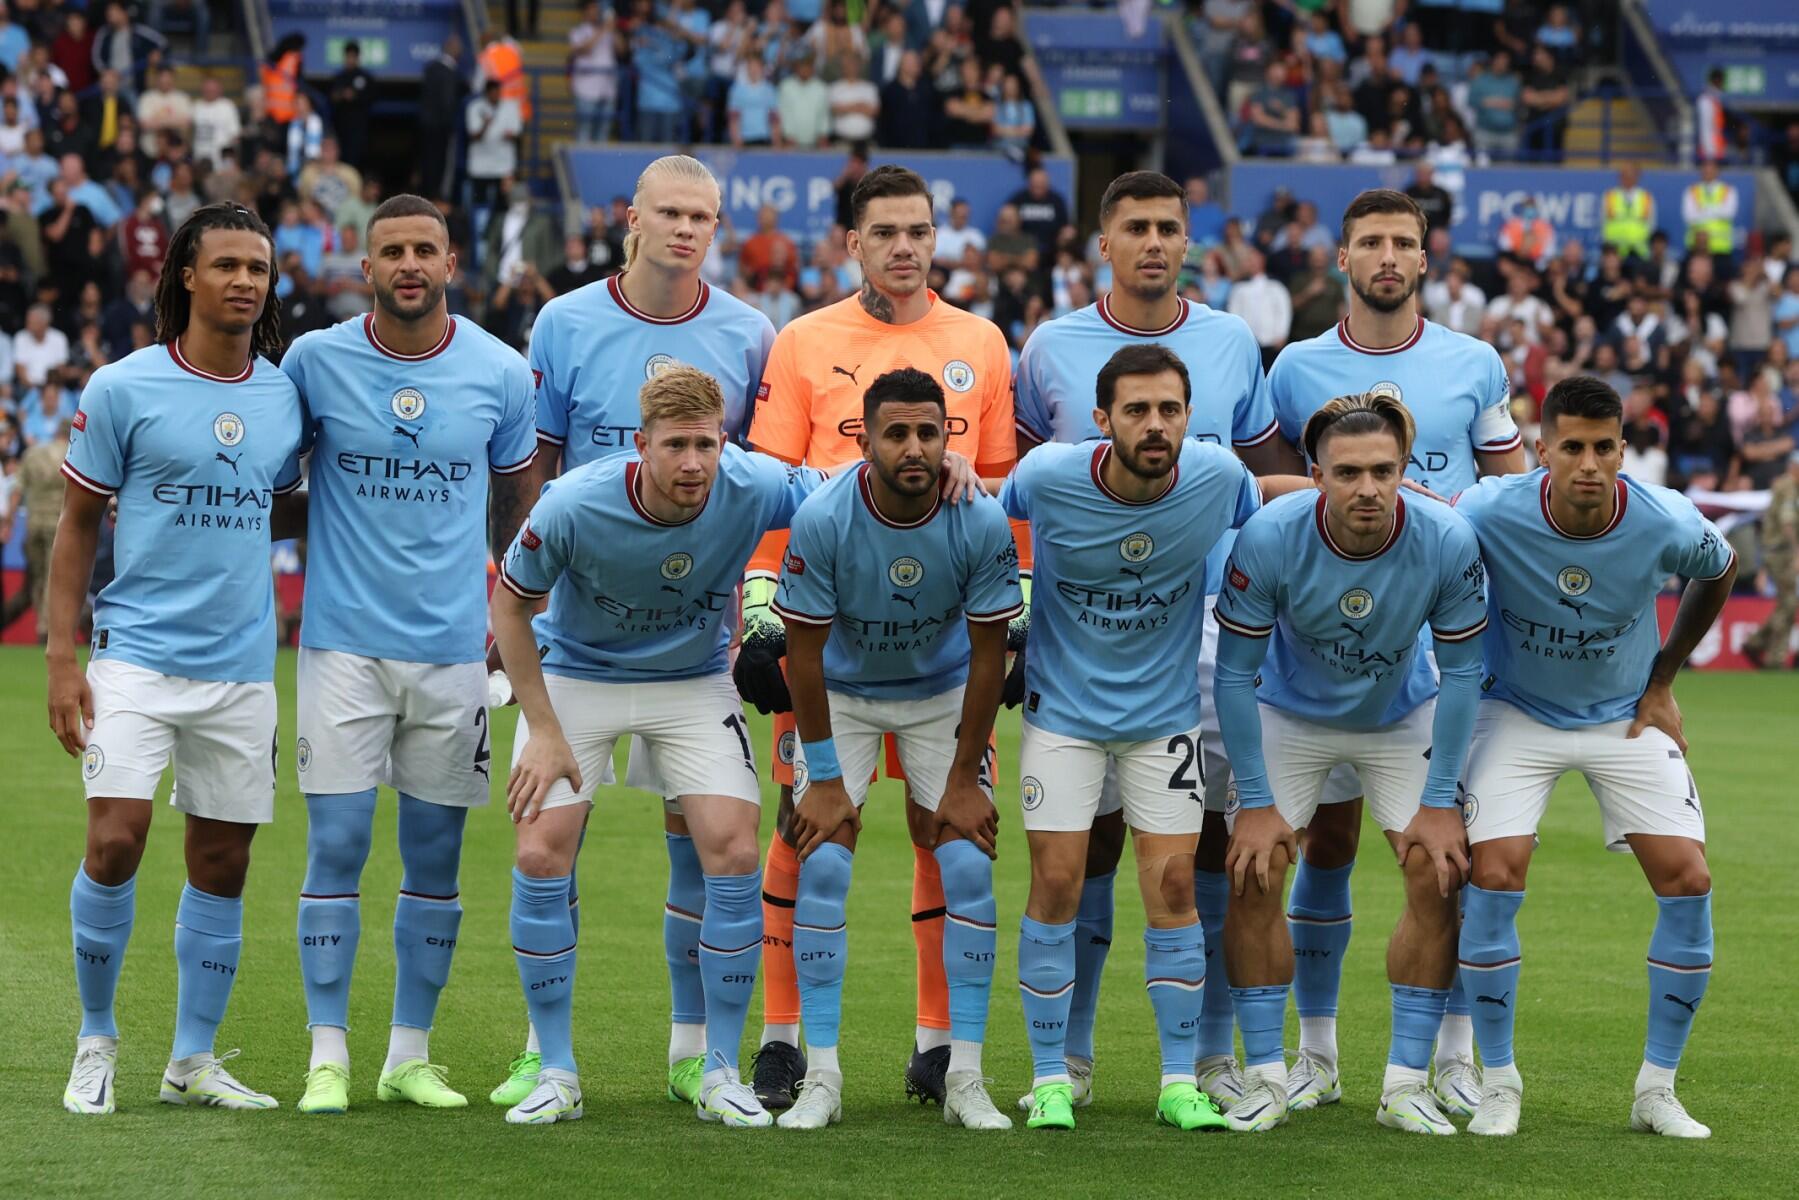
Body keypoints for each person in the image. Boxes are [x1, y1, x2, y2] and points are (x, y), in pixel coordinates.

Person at [487, 154, 776, 1111]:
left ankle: (702, 1059)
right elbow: (540, 474)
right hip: (577, 648)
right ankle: (548, 1058)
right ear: (633, 218)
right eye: (670, 213)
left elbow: (780, 490)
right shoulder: (565, 322)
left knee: (714, 849)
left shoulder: (749, 331)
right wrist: (524, 658)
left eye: (704, 215)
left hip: (697, 651)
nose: (687, 229)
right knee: (543, 849)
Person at [1012, 171, 1302, 1114]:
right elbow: (1002, 492)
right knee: (1073, 865)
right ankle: (1069, 1063)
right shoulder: (1051, 346)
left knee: (1195, 863)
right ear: (1103, 241)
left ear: (1189, 241)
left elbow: (1260, 482)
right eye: (1133, 226)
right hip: (1071, 659)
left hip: (1202, 644)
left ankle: (1200, 1065)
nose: (1152, 241)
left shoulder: (1226, 343)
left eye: (1168, 228)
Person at [743, 164, 1016, 1112]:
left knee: (942, 835)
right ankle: (785, 1043)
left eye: (919, 230)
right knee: (803, 834)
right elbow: (775, 491)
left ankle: (940, 1048)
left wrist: (1008, 611)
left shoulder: (979, 341)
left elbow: (994, 489)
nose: (904, 246)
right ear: (851, 242)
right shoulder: (803, 339)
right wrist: (760, 616)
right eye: (884, 231)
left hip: (938, 633)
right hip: (826, 627)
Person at [491, 365, 828, 1127]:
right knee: (541, 853)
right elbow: (509, 608)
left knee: (735, 852)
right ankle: (555, 1069)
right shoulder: (573, 502)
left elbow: (847, 487)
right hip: (578, 675)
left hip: (691, 678)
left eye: (705, 445)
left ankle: (716, 1070)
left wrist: (948, 464)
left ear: (725, 442)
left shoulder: (753, 482)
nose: (691, 464)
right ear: (639, 445)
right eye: (674, 445)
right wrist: (542, 729)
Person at [1265, 188, 1525, 1119]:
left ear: (1424, 259)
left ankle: (1451, 1054)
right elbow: (1269, 485)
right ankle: (1317, 1055)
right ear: (1340, 258)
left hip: (1447, 640)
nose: (1385, 255)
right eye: (1368, 241)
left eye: (1402, 243)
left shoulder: (1472, 362)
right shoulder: (1295, 366)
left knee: (1445, 853)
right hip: (1328, 641)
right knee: (1324, 843)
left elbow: (1512, 489)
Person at [280, 194, 538, 1116]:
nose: (408, 265)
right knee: (338, 845)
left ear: (452, 262)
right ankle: (326, 1056)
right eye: (391, 250)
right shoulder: (313, 360)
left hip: (449, 653)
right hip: (341, 645)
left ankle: (407, 1054)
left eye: (424, 248)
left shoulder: (501, 373)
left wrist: (509, 632)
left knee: (435, 858)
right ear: (366, 268)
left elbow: (519, 511)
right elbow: (275, 491)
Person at [50, 202, 304, 1116]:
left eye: (259, 268)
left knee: (222, 862)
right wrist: (60, 657)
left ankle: (191, 1059)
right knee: (114, 841)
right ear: (185, 275)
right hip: (135, 657)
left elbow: (284, 507)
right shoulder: (123, 387)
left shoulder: (283, 395)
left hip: (240, 666)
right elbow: (77, 528)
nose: (245, 281)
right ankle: (95, 1039)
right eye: (227, 264)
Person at [1453, 375, 1737, 1138]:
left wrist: (1663, 679)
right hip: (1514, 709)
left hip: (1623, 716)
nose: (1587, 463)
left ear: (1622, 449)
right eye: (1569, 447)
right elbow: (1435, 572)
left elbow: (1719, 569)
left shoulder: (1664, 518)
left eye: (1602, 447)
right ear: (1539, 449)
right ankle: (1498, 1083)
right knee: (1493, 872)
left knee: (1689, 877)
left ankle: (1657, 1090)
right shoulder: (1486, 509)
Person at [1213, 393, 1488, 1135]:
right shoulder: (1268, 535)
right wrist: (1260, 800)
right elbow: (1233, 675)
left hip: (1399, 714)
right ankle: (1270, 1074)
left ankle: (1404, 1081)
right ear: (1315, 475)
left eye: (1381, 471)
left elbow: (1463, 674)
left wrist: (1437, 800)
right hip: (1288, 713)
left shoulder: (1445, 537)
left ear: (1403, 471)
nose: (1366, 489)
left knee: (1437, 869)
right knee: (1255, 867)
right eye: (1346, 473)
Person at [770, 367, 1020, 1130]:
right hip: (840, 692)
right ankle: (822, 1075)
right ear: (864, 438)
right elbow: (802, 657)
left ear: (950, 435)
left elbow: (988, 656)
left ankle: (965, 1076)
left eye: (928, 431)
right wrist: (818, 778)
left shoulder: (978, 520)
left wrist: (965, 777)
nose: (914, 447)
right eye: (896, 432)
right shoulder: (823, 515)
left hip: (939, 691)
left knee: (967, 860)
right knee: (824, 859)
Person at [14, 416, 70, 639]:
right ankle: (46, 628)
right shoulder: (73, 454)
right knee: (52, 577)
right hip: (58, 525)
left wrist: (9, 520)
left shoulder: (33, 453)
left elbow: (17, 489)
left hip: (33, 523)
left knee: (37, 577)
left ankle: (42, 621)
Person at [1743, 451, 1799, 669]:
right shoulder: (1788, 488)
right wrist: (1796, 553)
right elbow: (1787, 523)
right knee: (1788, 603)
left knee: (1787, 603)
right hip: (1781, 552)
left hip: (1778, 551)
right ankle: (1775, 657)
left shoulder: (1787, 486)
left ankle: (1756, 643)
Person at [466, 80, 523, 216]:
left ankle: (499, 232)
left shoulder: (511, 107)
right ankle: (479, 233)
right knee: (479, 204)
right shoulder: (475, 107)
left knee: (502, 204)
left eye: (498, 93)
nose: (495, 96)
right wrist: (486, 125)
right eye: (492, 94)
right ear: (487, 93)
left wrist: (509, 135)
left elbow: (517, 133)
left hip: (503, 165)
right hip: (480, 166)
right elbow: (474, 136)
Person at [328, 40, 373, 169]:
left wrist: (356, 96)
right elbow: (331, 98)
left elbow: (373, 97)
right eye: (348, 56)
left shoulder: (365, 77)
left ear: (358, 57)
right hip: (340, 128)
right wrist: (341, 95)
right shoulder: (339, 77)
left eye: (353, 56)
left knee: (356, 161)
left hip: (359, 129)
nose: (350, 59)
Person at [1682, 160, 1737, 259]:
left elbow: (1729, 213)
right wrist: (1717, 210)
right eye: (1705, 170)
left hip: (1720, 247)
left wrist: (1703, 210)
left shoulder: (1728, 190)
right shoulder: (1691, 191)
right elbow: (1689, 217)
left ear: (1717, 171)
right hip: (1696, 247)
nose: (1708, 173)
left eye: (1711, 170)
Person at [1601, 163, 1654, 265]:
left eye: (1631, 175)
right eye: (1624, 175)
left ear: (1637, 177)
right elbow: (1603, 223)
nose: (1627, 178)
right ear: (1620, 177)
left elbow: (1651, 224)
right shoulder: (1609, 196)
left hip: (1639, 251)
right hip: (1615, 251)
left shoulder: (1646, 197)